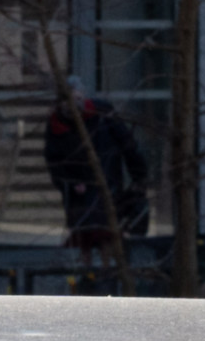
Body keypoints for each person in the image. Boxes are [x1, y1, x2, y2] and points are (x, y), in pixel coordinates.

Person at [44, 77, 149, 262]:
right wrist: (70, 183)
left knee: (106, 238)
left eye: (76, 99)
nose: (73, 106)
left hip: (108, 189)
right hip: (81, 199)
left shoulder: (100, 113)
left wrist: (139, 177)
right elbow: (55, 164)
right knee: (87, 241)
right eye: (67, 101)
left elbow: (128, 145)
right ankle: (92, 279)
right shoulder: (57, 126)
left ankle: (106, 277)